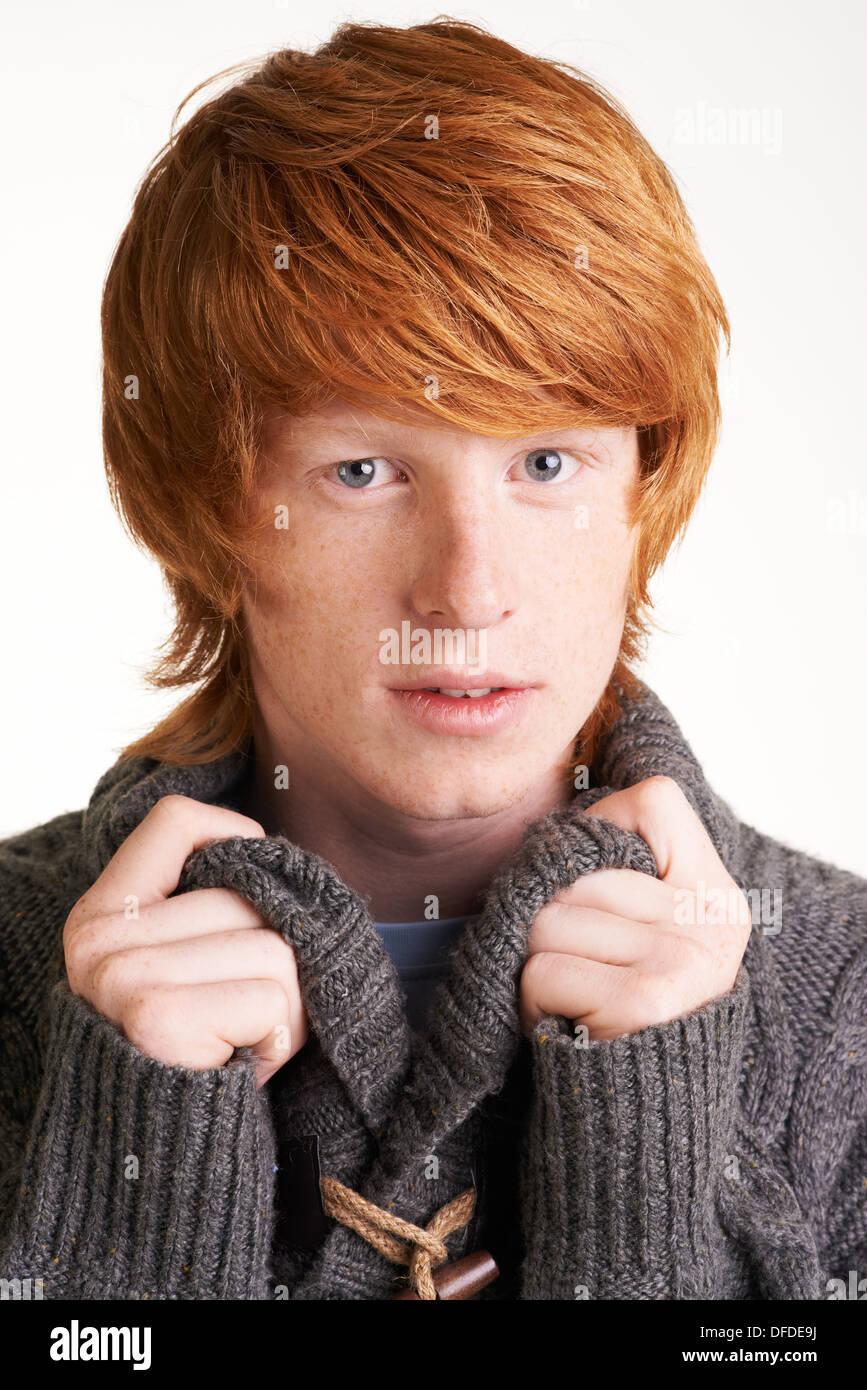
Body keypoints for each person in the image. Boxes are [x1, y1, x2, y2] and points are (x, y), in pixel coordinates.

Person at [1, 18, 864, 1302]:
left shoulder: (843, 999)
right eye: (362, 471)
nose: (469, 588)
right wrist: (136, 1195)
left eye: (546, 464)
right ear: (209, 512)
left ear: (645, 490)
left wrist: (654, 1176)